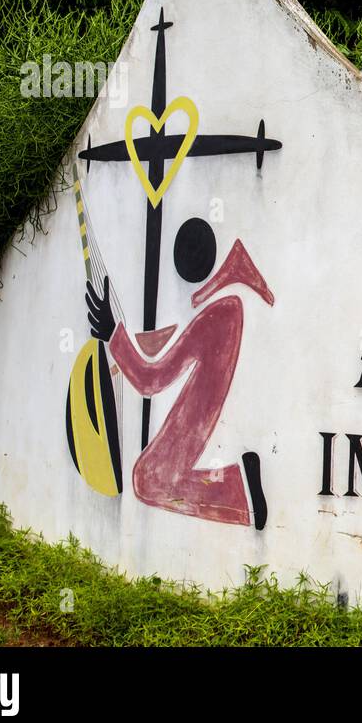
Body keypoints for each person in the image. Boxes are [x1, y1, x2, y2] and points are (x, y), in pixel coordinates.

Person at [86, 218, 272, 530]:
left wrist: (112, 335)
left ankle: (240, 490)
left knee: (147, 479)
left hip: (195, 416)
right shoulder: (230, 308)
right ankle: (239, 486)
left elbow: (151, 380)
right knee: (148, 478)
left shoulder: (214, 316)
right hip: (198, 410)